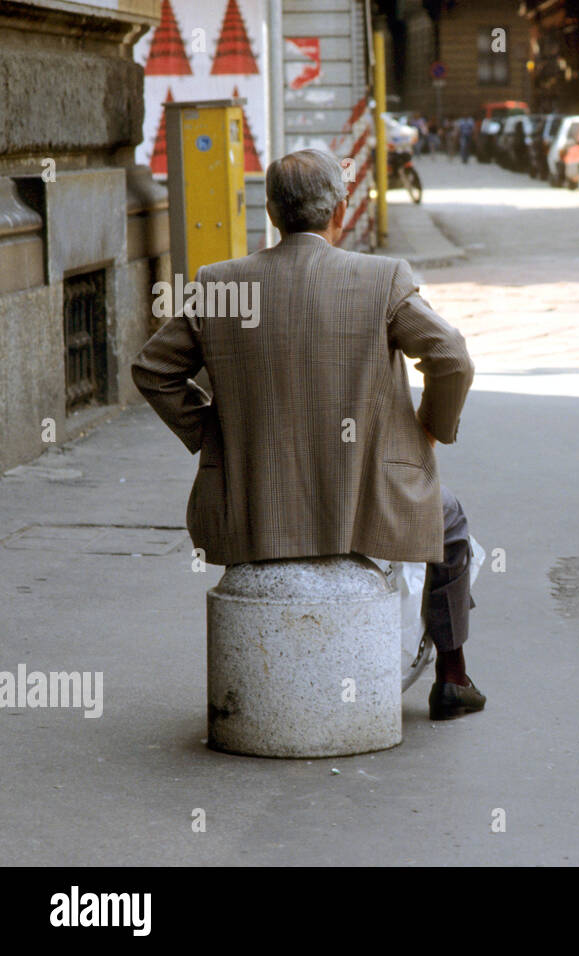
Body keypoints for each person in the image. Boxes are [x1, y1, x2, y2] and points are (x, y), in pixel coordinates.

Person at [131, 148, 485, 721]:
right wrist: (433, 429)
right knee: (452, 522)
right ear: (338, 211)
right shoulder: (382, 278)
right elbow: (451, 357)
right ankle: (452, 673)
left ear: (270, 212)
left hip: (252, 505)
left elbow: (153, 370)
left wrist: (211, 431)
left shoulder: (220, 285)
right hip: (367, 502)